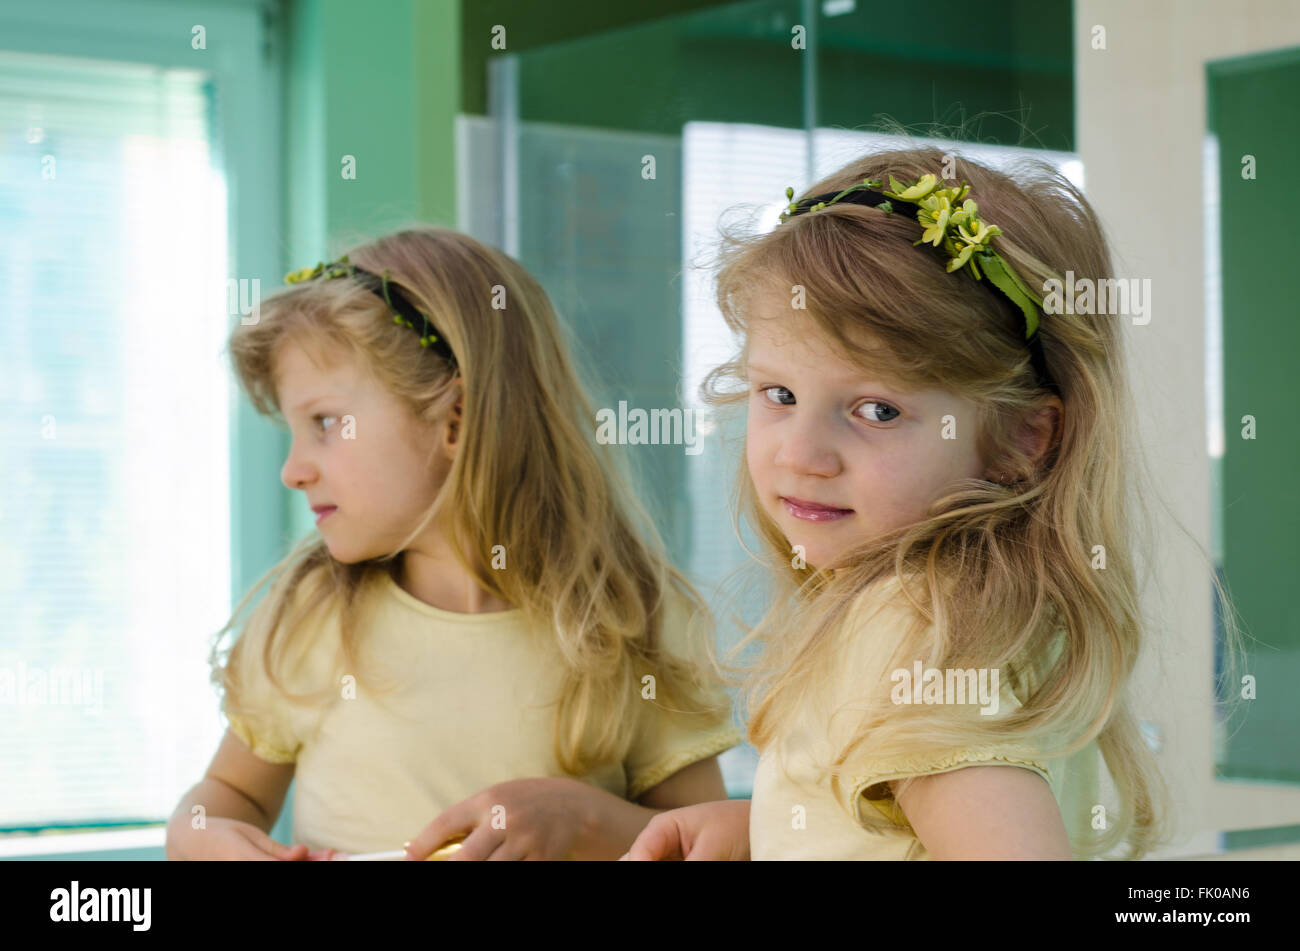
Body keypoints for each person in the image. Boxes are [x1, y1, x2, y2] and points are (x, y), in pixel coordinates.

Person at [622, 145, 1244, 860]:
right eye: (781, 395)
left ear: (1020, 437)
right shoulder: (979, 615)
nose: (800, 453)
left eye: (877, 410)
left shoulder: (910, 624)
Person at [165, 226, 742, 860]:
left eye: (324, 424)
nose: (293, 469)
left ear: (456, 419)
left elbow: (703, 845)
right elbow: (227, 792)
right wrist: (198, 834)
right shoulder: (310, 616)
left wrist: (588, 821)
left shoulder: (631, 621)